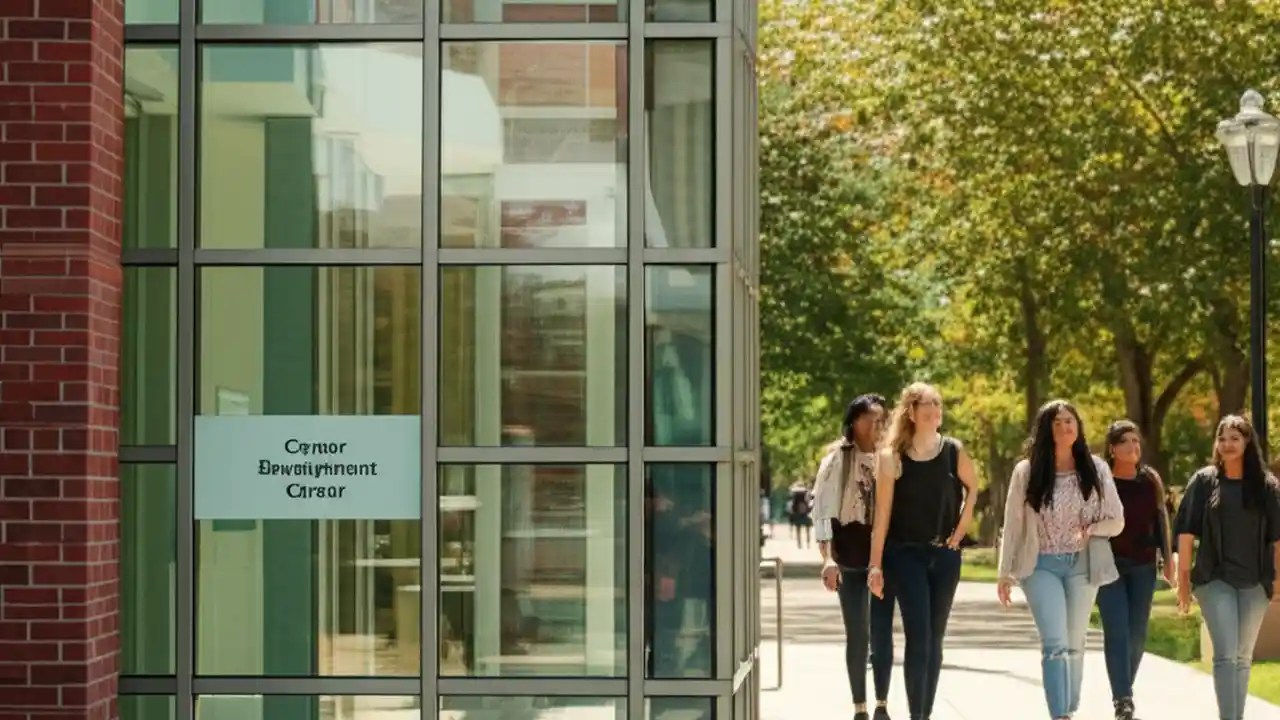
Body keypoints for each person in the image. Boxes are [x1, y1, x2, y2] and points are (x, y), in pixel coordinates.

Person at [997, 400, 1124, 720]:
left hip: (1082, 564)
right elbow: (1012, 524)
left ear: (1078, 427)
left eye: (1069, 421)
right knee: (1055, 643)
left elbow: (1117, 521)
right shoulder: (1026, 472)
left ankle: (1069, 705)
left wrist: (1092, 528)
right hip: (1040, 565)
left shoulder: (1096, 469)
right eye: (1057, 423)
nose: (1065, 427)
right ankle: (1060, 715)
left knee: (1075, 641)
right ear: (1046, 430)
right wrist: (1004, 573)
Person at [868, 382, 976, 720]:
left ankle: (924, 715)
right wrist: (875, 565)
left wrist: (960, 531)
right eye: (925, 404)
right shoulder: (892, 457)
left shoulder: (954, 451)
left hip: (945, 556)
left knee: (936, 638)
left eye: (937, 404)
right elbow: (882, 515)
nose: (933, 410)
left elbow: (973, 488)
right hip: (905, 555)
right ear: (911, 412)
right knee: (919, 637)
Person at [1175, 414, 1280, 720]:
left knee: (1243, 657)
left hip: (1255, 581)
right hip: (1214, 578)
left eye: (1235, 438)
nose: (1228, 444)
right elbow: (1185, 532)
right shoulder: (1204, 482)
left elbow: (1277, 538)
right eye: (1222, 438)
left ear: (1248, 442)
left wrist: (1277, 579)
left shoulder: (1266, 486)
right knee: (1225, 655)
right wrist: (1184, 580)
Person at [812, 394, 896, 720]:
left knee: (882, 630)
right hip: (848, 550)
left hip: (884, 553)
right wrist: (827, 558)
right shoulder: (837, 460)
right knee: (857, 631)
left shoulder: (892, 458)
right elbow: (823, 512)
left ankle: (882, 704)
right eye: (872, 419)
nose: (878, 426)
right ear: (855, 422)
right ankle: (860, 705)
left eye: (881, 420)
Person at [1095, 420, 1174, 720]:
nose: (1133, 447)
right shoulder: (1101, 481)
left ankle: (1123, 690)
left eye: (1136, 442)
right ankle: (1123, 700)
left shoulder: (1149, 480)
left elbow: (1161, 519)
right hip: (1109, 565)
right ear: (1113, 448)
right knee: (1117, 631)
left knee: (1138, 633)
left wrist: (1168, 559)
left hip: (1142, 565)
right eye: (1126, 442)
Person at [789, 480, 814, 549]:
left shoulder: (795, 493)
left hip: (797, 513)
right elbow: (809, 502)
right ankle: (808, 543)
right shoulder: (805, 492)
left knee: (798, 530)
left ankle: (799, 544)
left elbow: (792, 505)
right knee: (807, 529)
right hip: (805, 513)